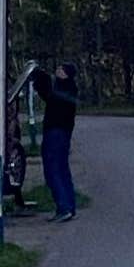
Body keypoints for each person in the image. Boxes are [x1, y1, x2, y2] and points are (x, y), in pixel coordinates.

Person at [40, 65, 78, 221]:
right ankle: (69, 205)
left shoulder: (64, 90)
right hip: (62, 133)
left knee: (53, 170)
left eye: (61, 69)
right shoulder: (68, 89)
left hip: (56, 132)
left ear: (66, 74)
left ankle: (64, 207)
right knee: (62, 169)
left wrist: (41, 79)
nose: (58, 70)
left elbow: (50, 96)